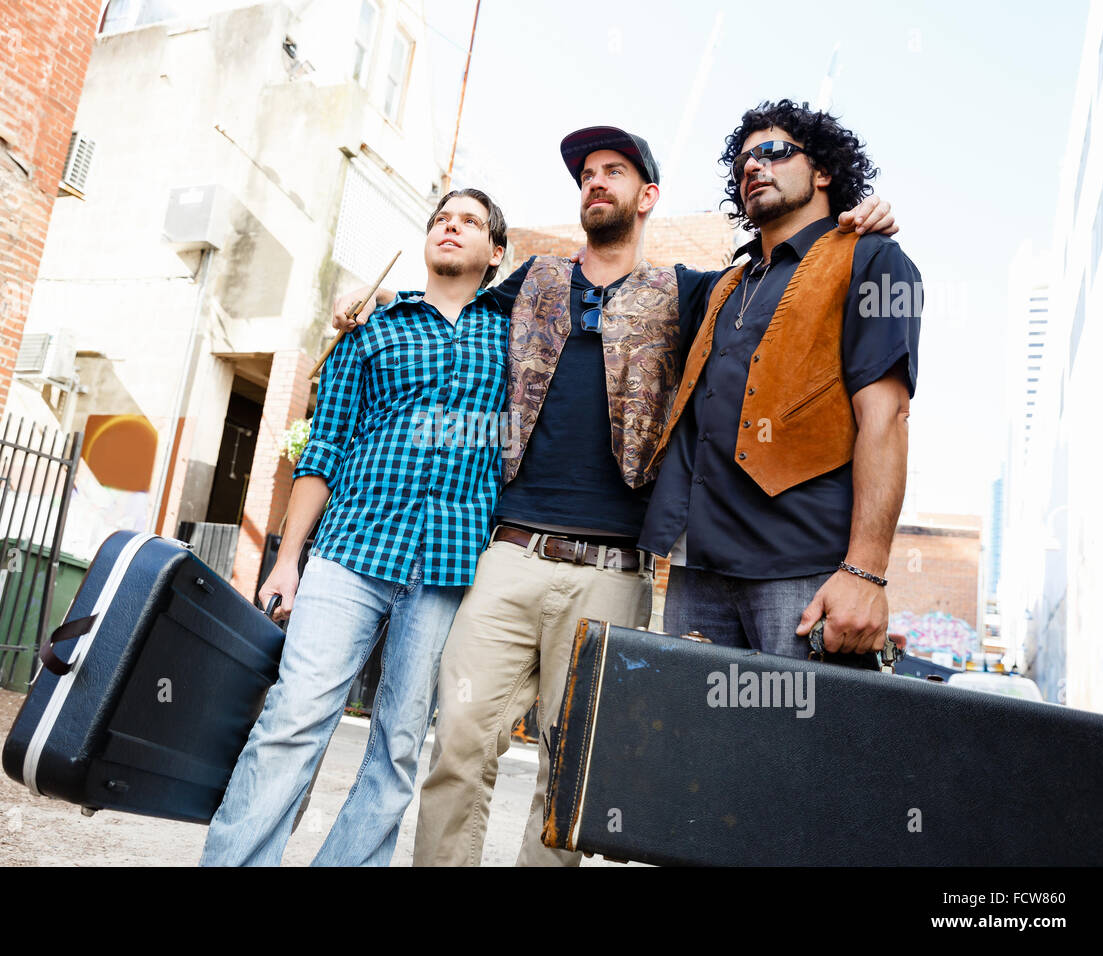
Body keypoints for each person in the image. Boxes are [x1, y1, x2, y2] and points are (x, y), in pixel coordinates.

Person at [338, 126, 896, 867]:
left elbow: (779, 301)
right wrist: (373, 300)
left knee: (574, 772)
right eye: (587, 174)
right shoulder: (530, 279)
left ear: (648, 196)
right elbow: (453, 306)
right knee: (459, 746)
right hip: (508, 555)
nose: (596, 182)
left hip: (614, 570)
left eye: (615, 171)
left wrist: (860, 221)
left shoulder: (697, 290)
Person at [199, 188, 512, 867]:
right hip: (350, 550)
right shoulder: (370, 326)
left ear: (495, 252)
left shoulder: (516, 333)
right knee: (292, 720)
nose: (450, 228)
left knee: (399, 744)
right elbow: (326, 448)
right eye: (440, 219)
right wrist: (287, 560)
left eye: (469, 222)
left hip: (449, 568)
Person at [638, 99, 921, 664]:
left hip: (803, 572)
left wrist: (866, 572)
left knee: (795, 750)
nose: (752, 167)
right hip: (697, 573)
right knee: (694, 750)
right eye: (743, 160)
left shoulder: (873, 260)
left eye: (773, 151)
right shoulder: (726, 285)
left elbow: (886, 417)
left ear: (822, 172)